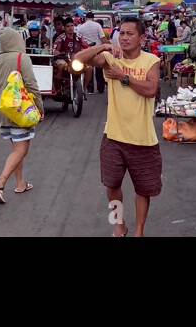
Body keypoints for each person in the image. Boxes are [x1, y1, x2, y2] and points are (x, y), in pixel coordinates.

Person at [74, 18, 161, 237]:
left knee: (144, 190)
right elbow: (77, 60)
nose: (124, 37)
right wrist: (102, 45)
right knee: (112, 185)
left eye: (130, 34)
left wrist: (124, 77)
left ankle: (139, 231)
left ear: (142, 38)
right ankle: (119, 224)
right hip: (113, 137)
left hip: (143, 139)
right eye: (121, 33)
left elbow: (151, 89)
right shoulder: (110, 58)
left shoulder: (152, 60)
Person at [0, 28, 45, 203]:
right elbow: (32, 86)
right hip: (19, 109)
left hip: (2, 110)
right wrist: (40, 107)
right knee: (22, 149)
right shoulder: (22, 58)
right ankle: (1, 181)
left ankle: (20, 184)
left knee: (16, 148)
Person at [52, 17, 90, 95]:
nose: (70, 28)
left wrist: (87, 49)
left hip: (77, 60)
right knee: (61, 65)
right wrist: (56, 52)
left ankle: (84, 89)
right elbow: (55, 49)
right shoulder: (60, 38)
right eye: (68, 26)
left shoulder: (79, 37)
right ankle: (58, 89)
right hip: (64, 59)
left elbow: (86, 46)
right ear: (64, 28)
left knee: (90, 68)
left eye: (72, 25)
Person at [76, 11, 107, 94]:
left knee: (89, 69)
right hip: (97, 49)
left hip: (87, 50)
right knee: (99, 69)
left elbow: (78, 39)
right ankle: (100, 88)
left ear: (86, 18)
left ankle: (90, 89)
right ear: (93, 18)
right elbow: (102, 38)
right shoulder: (97, 25)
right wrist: (107, 45)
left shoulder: (81, 27)